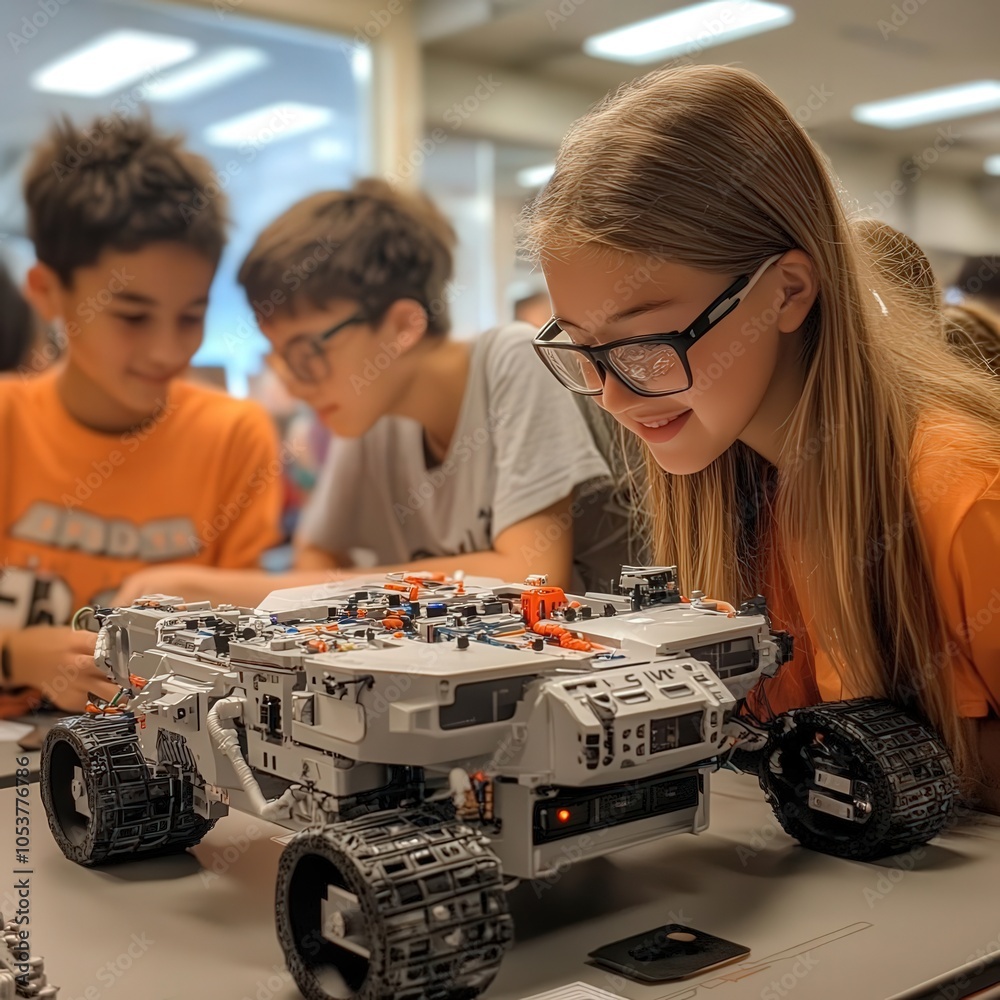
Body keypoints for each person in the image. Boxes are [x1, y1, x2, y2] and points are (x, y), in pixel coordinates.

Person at [521, 64, 1000, 809]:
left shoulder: (964, 493)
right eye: (582, 348)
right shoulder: (739, 483)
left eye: (646, 343)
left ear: (788, 292)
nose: (613, 394)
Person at [114, 179, 630, 608]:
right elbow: (315, 555)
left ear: (402, 325)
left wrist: (215, 591)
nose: (293, 383)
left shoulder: (512, 358)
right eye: (279, 358)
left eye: (306, 353)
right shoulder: (370, 409)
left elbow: (530, 577)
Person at [0, 115, 282, 711]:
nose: (167, 351)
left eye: (191, 315)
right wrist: (16, 655)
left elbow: (246, 651)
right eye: (131, 316)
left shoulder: (234, 435)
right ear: (46, 291)